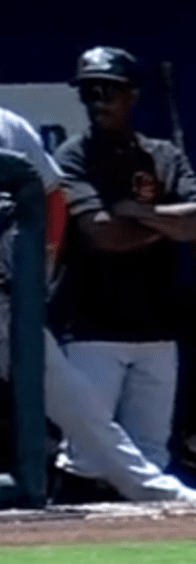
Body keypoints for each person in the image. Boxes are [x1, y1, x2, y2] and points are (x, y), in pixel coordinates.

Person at [0, 10, 195, 502]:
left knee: (78, 404)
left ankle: (160, 494)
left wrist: (42, 262)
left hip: (6, 296)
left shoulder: (11, 129)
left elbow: (53, 197)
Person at [51, 46, 196, 493]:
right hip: (94, 328)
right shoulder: (74, 156)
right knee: (88, 458)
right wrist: (165, 222)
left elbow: (194, 224)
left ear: (131, 95)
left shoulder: (163, 155)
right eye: (90, 91)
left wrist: (136, 211)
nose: (99, 100)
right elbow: (103, 235)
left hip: (158, 327)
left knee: (150, 456)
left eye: (109, 90)